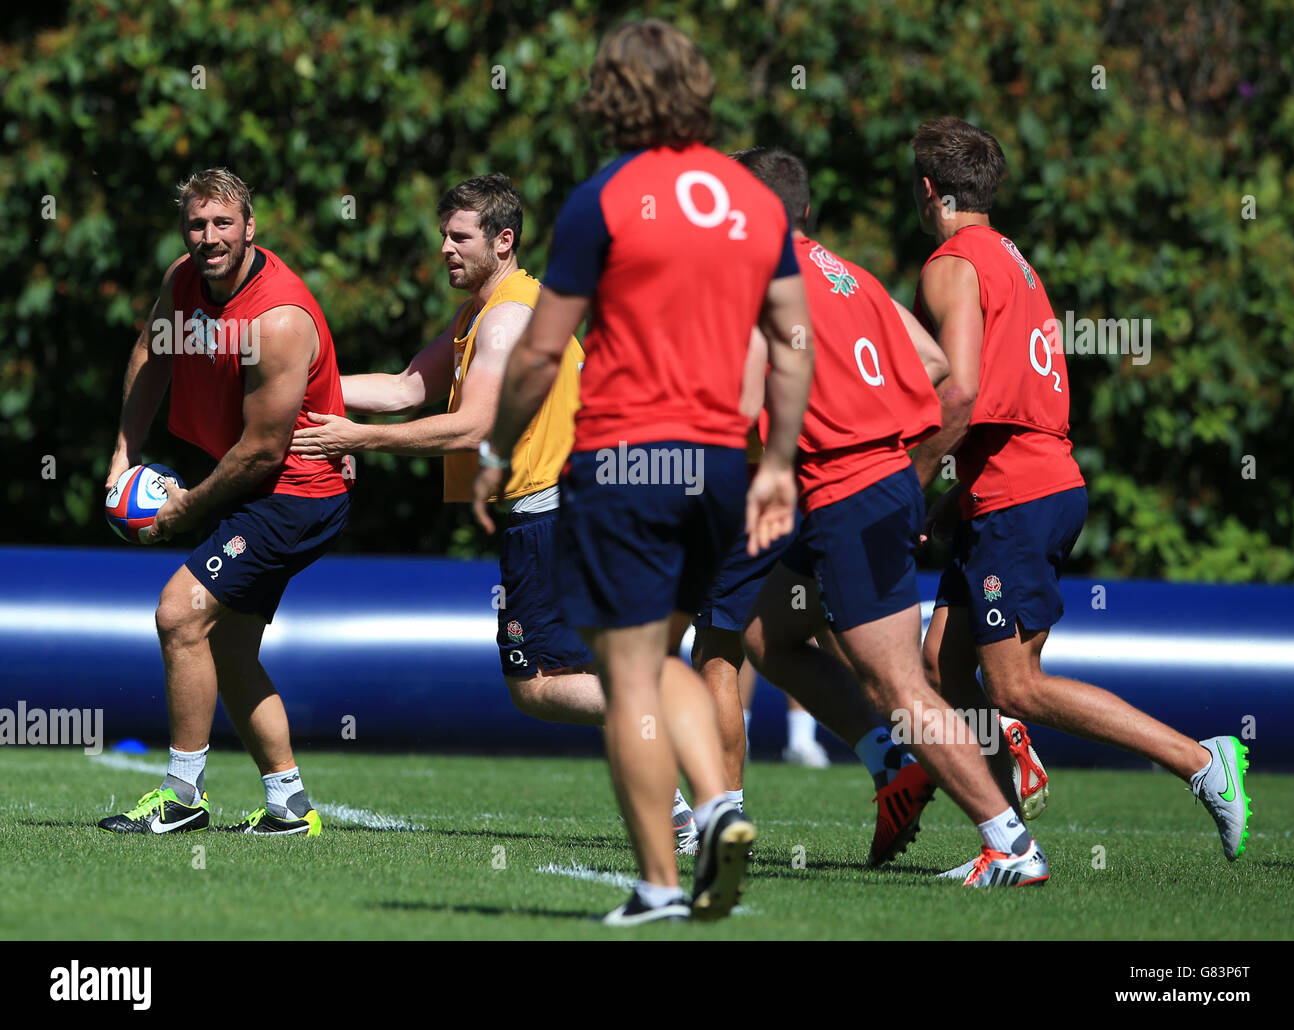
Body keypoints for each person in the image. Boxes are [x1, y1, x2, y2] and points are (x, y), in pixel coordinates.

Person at [472, 20, 815, 925]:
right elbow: (793, 340)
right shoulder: (753, 204)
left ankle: (664, 882)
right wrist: (778, 460)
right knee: (668, 656)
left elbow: (543, 354)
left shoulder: (605, 198)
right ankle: (720, 806)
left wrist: (496, 450)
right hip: (720, 466)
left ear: (612, 94)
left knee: (628, 674)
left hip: (625, 460)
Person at [289, 173, 701, 852]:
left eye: (460, 237)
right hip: (556, 513)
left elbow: (468, 427)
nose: (445, 249)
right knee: (553, 680)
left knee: (538, 686)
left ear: (503, 241)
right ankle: (683, 809)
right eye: (443, 235)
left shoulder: (508, 318)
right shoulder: (479, 315)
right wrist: (294, 397)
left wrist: (352, 437)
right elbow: (400, 388)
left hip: (551, 514)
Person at [908, 116, 1250, 876]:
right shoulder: (1014, 261)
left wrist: (908, 481)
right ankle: (1006, 846)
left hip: (1018, 497)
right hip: (1023, 486)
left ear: (928, 191)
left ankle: (1201, 761)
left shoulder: (951, 262)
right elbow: (1001, 395)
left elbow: (960, 392)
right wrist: (945, 503)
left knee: (1016, 686)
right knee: (941, 665)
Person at [736, 146, 1052, 885]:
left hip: (850, 489)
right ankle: (892, 758)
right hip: (855, 487)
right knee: (765, 630)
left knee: (899, 685)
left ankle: (1010, 842)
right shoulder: (843, 272)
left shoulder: (756, 280)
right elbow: (934, 363)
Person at [100, 168, 350, 837]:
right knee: (230, 650)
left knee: (180, 615)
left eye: (222, 224)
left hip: (296, 492)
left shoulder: (278, 319)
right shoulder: (185, 279)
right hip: (257, 482)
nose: (209, 238)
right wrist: (124, 453)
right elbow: (153, 355)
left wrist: (186, 510)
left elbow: (264, 451)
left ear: (250, 227)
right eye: (197, 224)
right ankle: (290, 807)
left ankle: (183, 797)